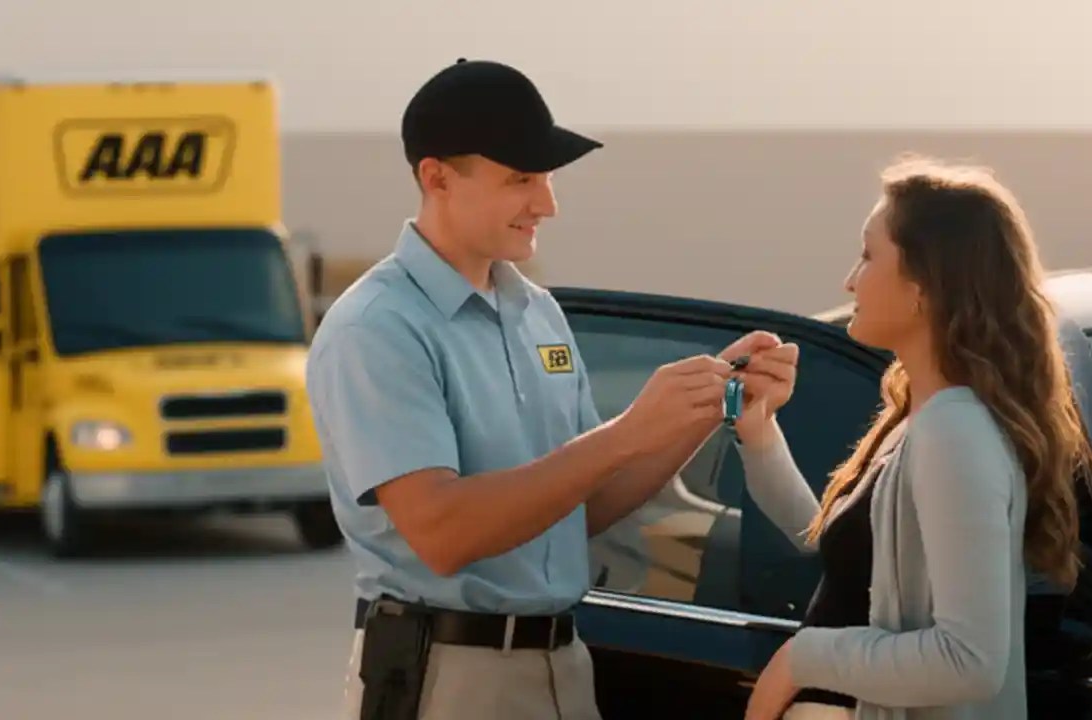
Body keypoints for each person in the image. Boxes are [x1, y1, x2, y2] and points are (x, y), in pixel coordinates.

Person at [305, 58, 771, 720]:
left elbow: (580, 507)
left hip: (563, 669)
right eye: (520, 178)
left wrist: (703, 407)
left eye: (547, 177)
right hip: (447, 684)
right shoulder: (377, 327)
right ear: (437, 178)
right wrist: (627, 433)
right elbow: (442, 533)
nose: (547, 203)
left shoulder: (536, 312)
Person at [730, 156, 1092, 719]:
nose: (850, 280)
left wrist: (801, 660)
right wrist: (758, 433)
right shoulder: (923, 417)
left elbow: (970, 660)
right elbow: (839, 548)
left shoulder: (956, 431)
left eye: (868, 255)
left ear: (924, 286)